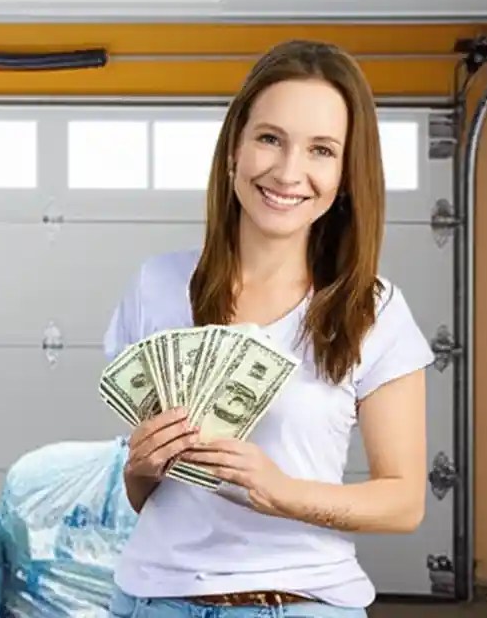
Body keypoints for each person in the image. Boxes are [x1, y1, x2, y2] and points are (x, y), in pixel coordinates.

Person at [102, 39, 434, 618]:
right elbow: (144, 497)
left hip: (301, 602)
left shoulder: (374, 309)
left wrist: (280, 492)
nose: (288, 172)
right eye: (270, 139)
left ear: (345, 176)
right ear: (235, 148)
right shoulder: (157, 285)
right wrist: (140, 468)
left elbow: (403, 503)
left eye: (321, 150)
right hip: (152, 599)